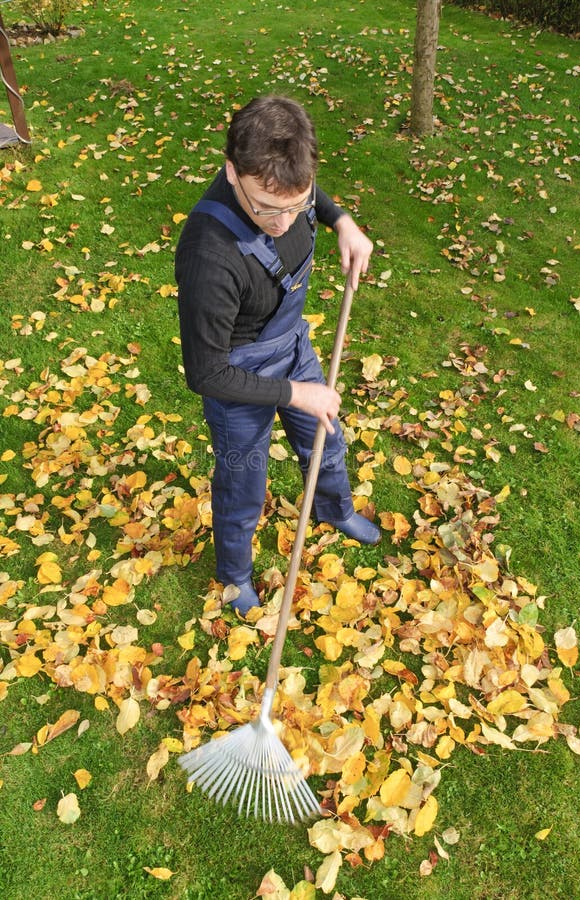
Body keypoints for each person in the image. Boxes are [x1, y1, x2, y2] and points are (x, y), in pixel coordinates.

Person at [175, 95, 380, 616]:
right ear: (232, 172)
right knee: (244, 481)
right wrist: (296, 392)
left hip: (292, 342)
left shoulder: (287, 184)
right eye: (267, 208)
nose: (284, 221)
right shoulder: (209, 255)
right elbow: (205, 372)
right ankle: (235, 576)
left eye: (296, 204)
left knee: (326, 440)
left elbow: (305, 198)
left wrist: (342, 221)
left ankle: (334, 510)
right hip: (236, 375)